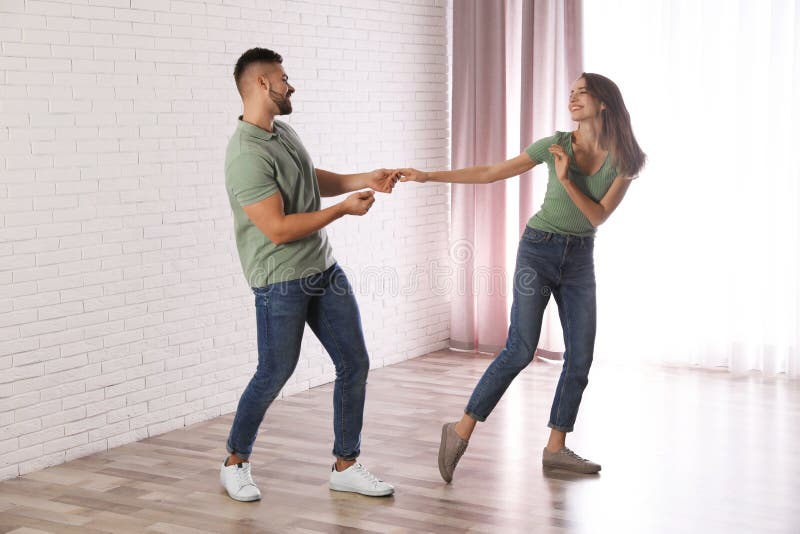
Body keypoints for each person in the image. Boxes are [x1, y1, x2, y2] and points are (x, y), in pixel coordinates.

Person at [400, 73, 646, 480]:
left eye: (582, 92)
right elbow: (492, 172)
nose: (573, 97)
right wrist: (428, 176)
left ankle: (556, 447)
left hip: (580, 259)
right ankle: (459, 432)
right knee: (519, 349)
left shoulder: (627, 159)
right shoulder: (554, 146)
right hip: (538, 249)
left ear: (604, 102)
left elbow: (598, 215)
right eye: (571, 92)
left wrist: (567, 180)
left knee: (580, 358)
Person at [221, 47, 398, 501]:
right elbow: (277, 229)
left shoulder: (283, 132)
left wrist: (364, 179)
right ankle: (235, 461)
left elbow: (310, 178)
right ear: (262, 84)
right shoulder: (244, 155)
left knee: (354, 362)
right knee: (275, 372)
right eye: (283, 78)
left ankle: (346, 464)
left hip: (323, 267)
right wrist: (342, 211)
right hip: (280, 278)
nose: (290, 84)